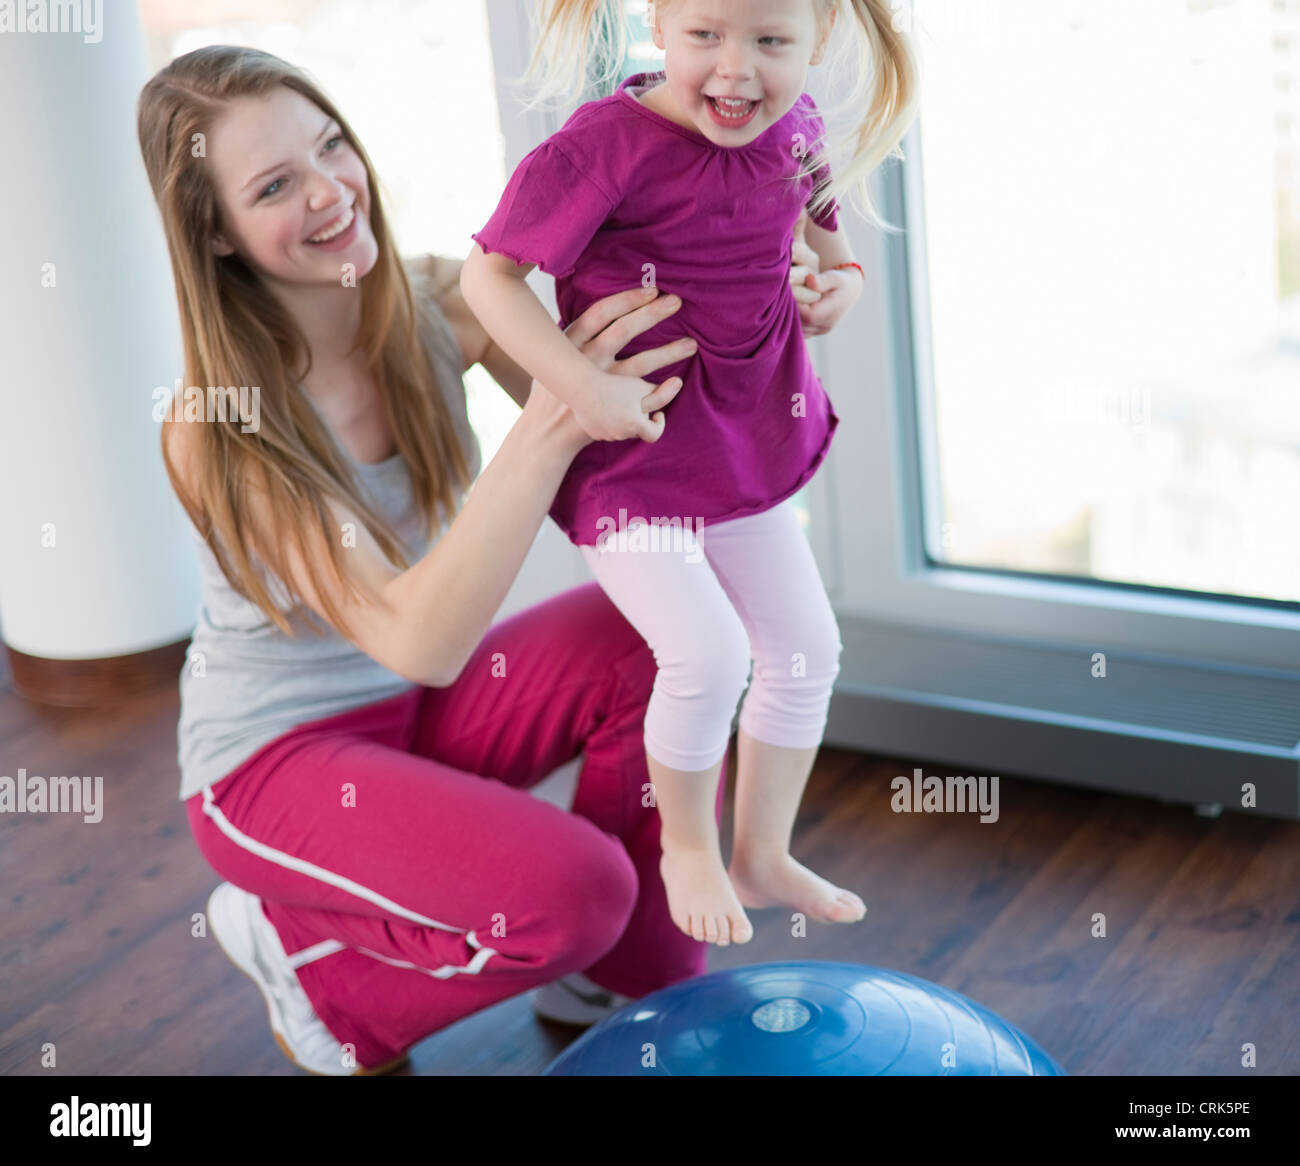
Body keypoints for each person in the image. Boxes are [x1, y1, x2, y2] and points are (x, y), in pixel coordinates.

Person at [136, 43, 827, 1076]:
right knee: (574, 892)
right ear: (216, 234)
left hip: (419, 721)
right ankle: (302, 961)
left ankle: (618, 971)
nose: (330, 192)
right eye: (275, 185)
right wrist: (552, 416)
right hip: (276, 759)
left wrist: (775, 291)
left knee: (678, 632)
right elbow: (419, 635)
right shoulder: (219, 427)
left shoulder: (438, 308)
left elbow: (637, 446)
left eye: (330, 147)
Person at [460, 0, 920, 947]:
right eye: (705, 36)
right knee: (709, 657)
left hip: (738, 450)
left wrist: (841, 291)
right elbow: (487, 278)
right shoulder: (606, 146)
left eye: (770, 42)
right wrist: (581, 384)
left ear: (817, 42)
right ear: (658, 26)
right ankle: (688, 846)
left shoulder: (797, 132)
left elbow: (833, 257)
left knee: (807, 651)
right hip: (635, 464)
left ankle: (760, 852)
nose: (735, 71)